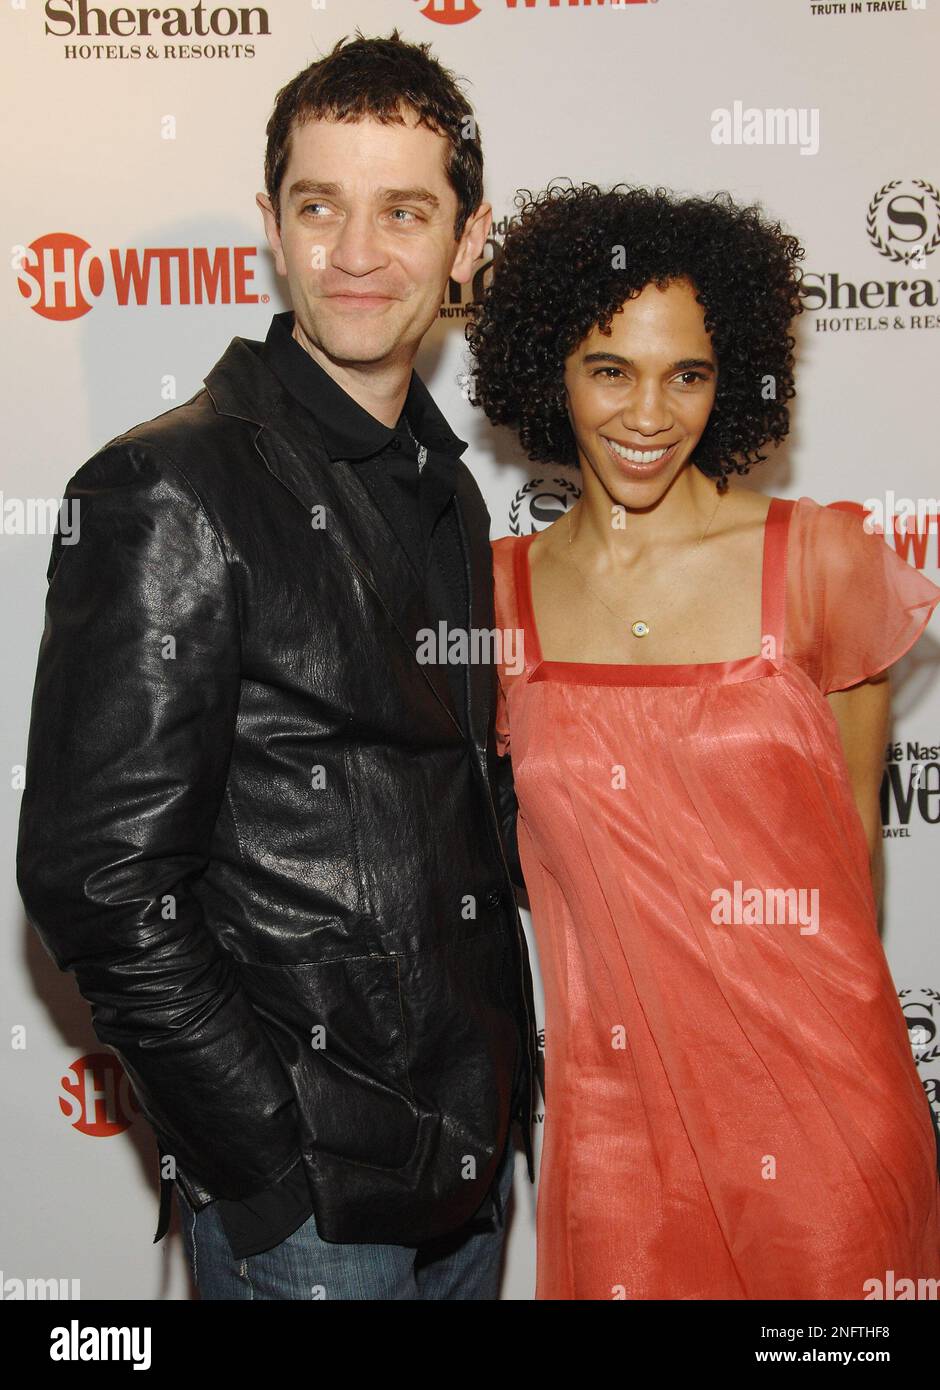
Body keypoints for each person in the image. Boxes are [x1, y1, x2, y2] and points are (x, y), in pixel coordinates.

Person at [16, 30, 538, 1301]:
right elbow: (97, 879)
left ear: (468, 242)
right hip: (312, 1203)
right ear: (273, 225)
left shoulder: (452, 495)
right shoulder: (168, 487)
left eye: (404, 211)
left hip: (466, 1169)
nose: (358, 254)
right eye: (321, 207)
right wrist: (265, 1151)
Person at [466, 181, 940, 1299]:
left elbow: (853, 866)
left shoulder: (821, 562)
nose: (649, 414)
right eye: (609, 370)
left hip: (828, 1128)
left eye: (688, 373)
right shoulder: (488, 601)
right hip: (619, 1146)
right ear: (549, 372)